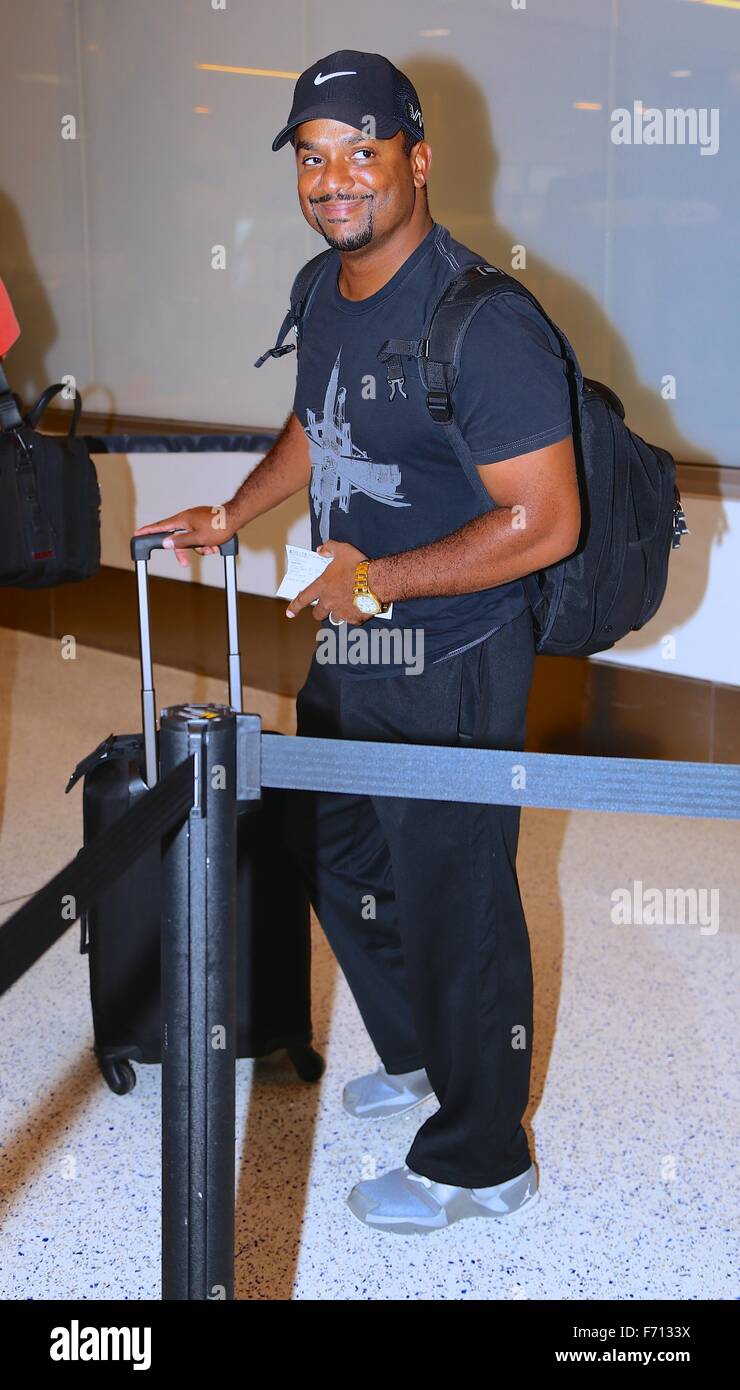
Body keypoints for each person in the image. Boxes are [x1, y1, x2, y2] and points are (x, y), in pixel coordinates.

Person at [134, 49, 581, 1235]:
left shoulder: (482, 322)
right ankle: (430, 1053)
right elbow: (314, 422)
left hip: (456, 648)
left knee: (457, 892)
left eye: (360, 152)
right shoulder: (329, 290)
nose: (334, 180)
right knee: (332, 841)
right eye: (313, 157)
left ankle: (483, 1160)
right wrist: (237, 510)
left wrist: (376, 576)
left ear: (415, 160)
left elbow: (545, 522)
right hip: (362, 635)